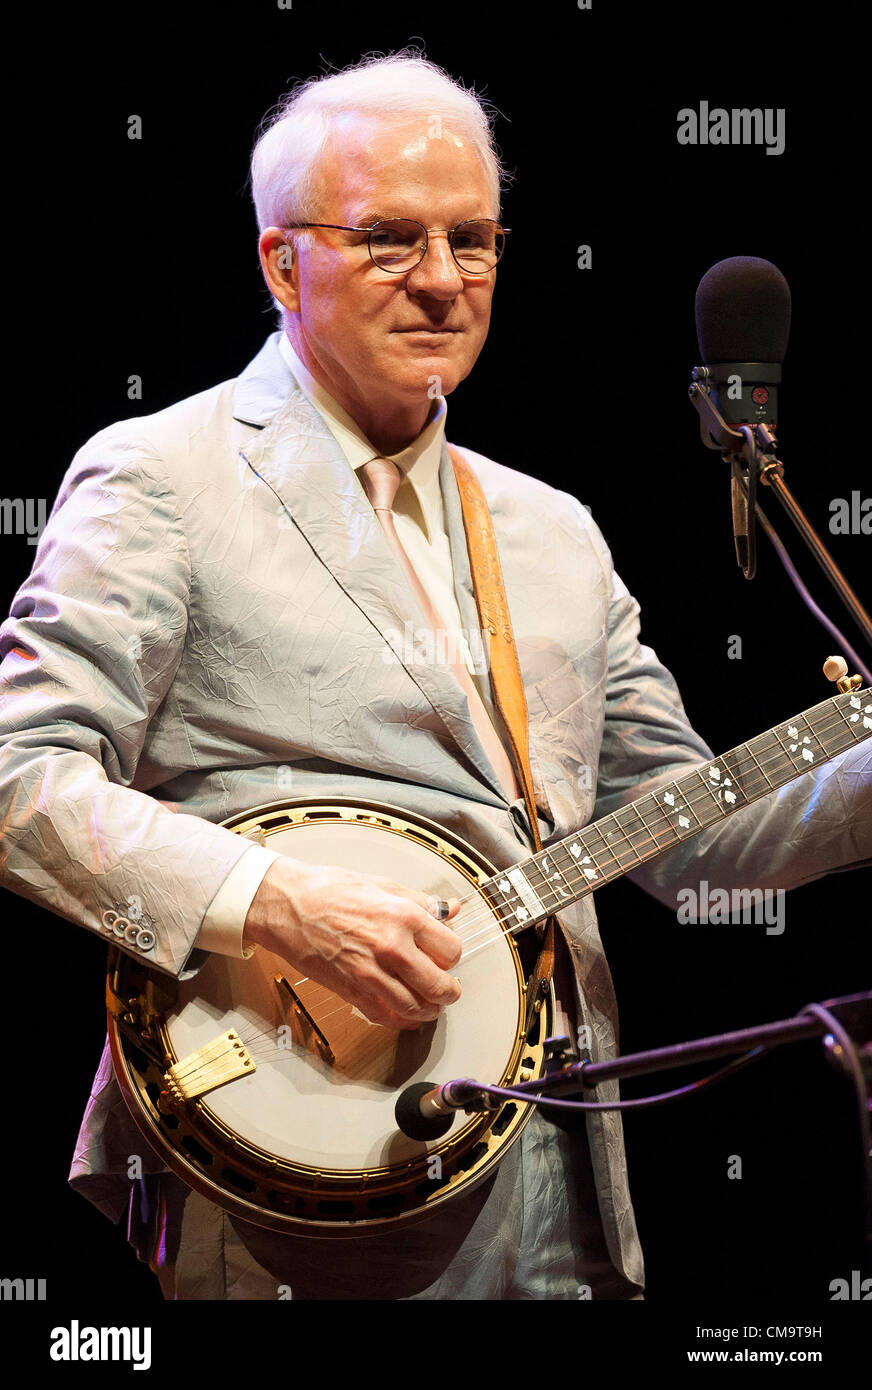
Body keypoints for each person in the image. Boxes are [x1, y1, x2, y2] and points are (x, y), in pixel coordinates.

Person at [0, 50, 868, 1302]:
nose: (444, 281)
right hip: (293, 1166)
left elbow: (689, 844)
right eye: (392, 238)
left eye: (475, 240)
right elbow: (25, 782)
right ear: (279, 262)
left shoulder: (552, 531)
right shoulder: (162, 476)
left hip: (558, 1164)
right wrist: (274, 902)